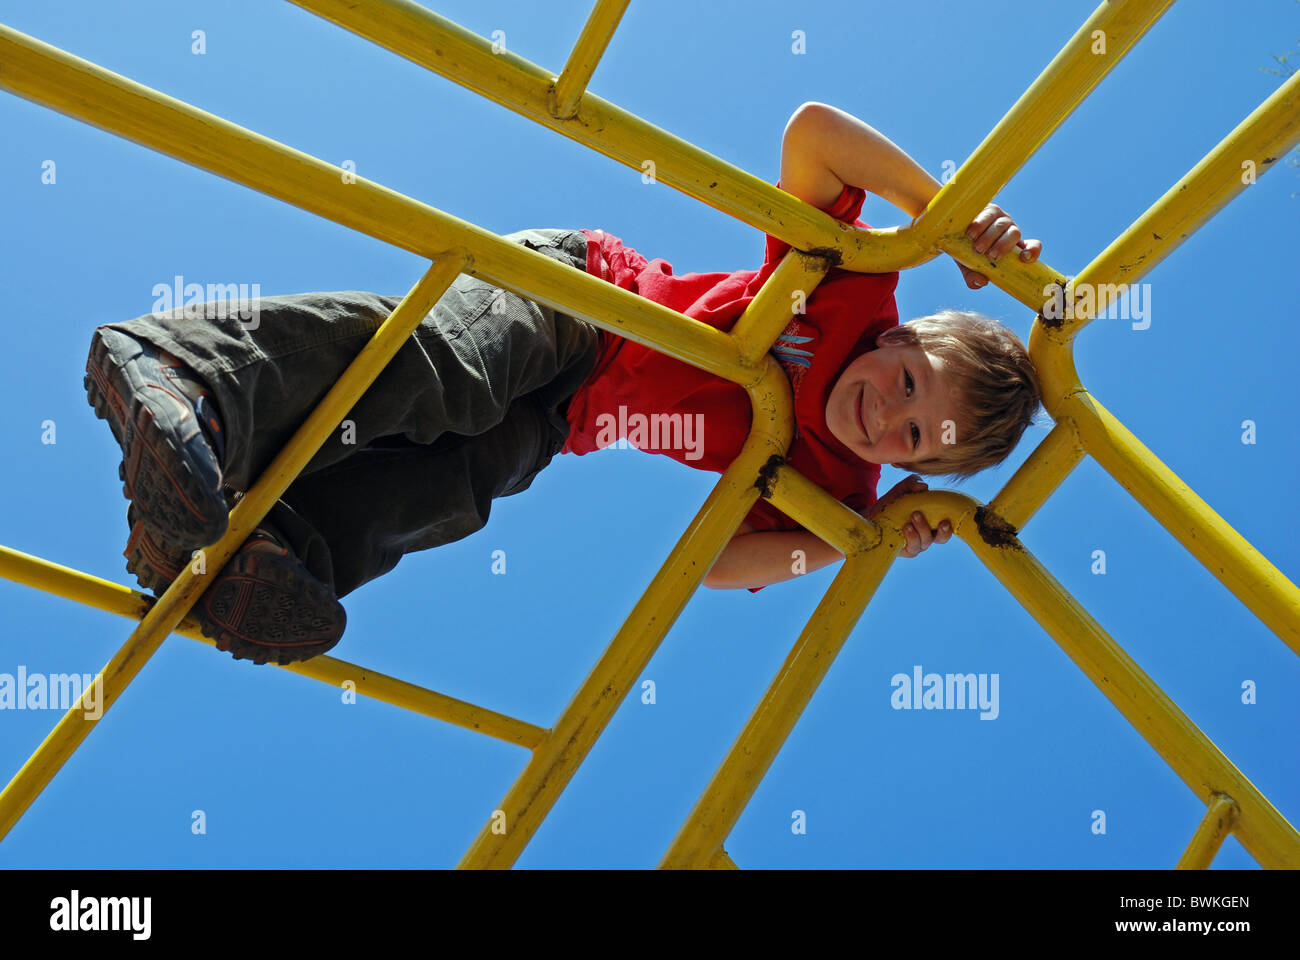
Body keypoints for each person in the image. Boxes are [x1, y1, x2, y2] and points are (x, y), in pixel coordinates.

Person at [83, 101, 1042, 665]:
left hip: (569, 423)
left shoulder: (841, 489)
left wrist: (859, 539)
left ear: (922, 467)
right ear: (900, 333)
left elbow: (717, 567)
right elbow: (813, 135)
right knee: (445, 369)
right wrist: (943, 218)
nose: (892, 412)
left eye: (919, 438)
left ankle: (256, 549)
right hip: (587, 302)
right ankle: (189, 373)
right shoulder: (850, 289)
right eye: (910, 380)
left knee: (448, 489)